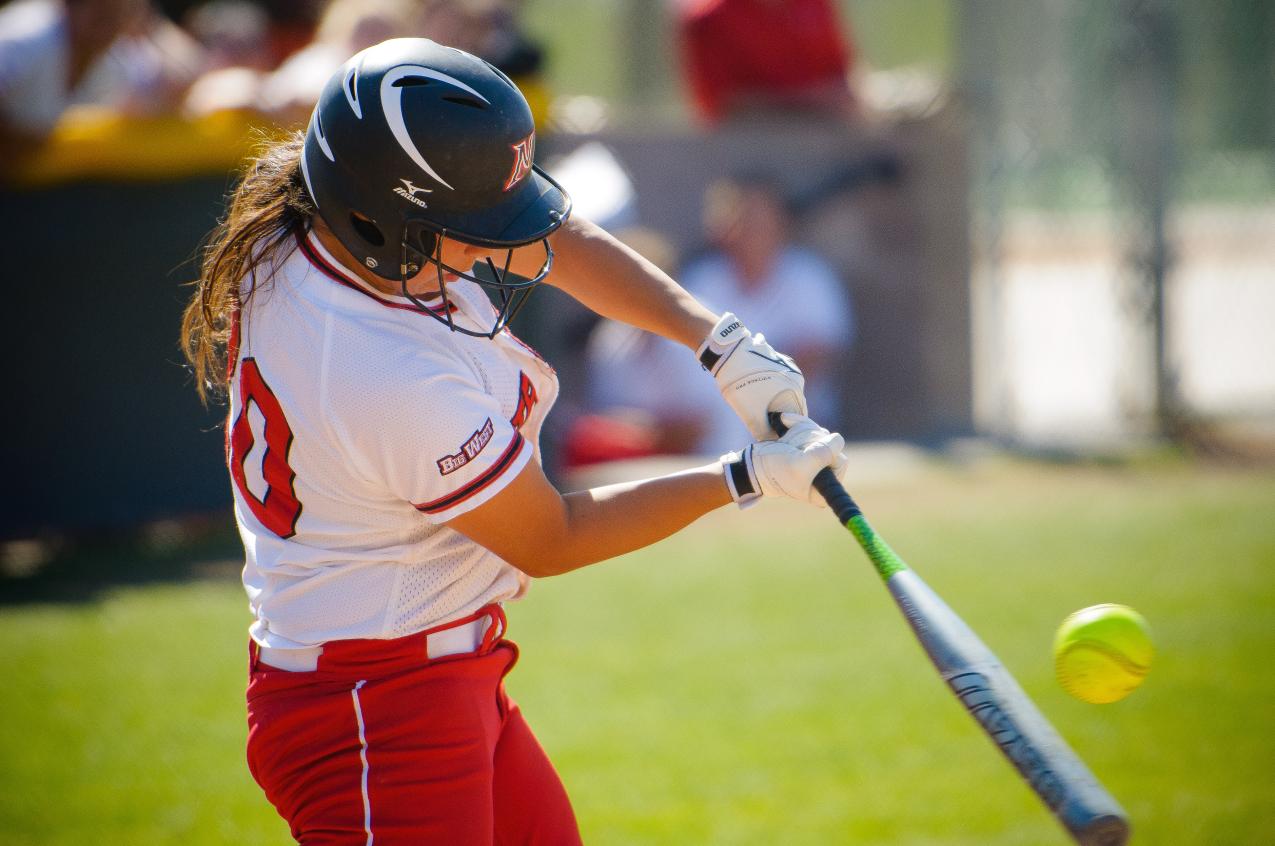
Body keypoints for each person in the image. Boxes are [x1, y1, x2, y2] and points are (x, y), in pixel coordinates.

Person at [180, 38, 847, 844]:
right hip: (369, 712)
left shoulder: (315, 221)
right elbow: (550, 536)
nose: (499, 246)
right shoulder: (387, 375)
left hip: (438, 673)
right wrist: (742, 477)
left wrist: (717, 340)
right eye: (474, 228)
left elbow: (551, 235)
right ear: (381, 223)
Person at [677, 0, 859, 125]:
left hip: (827, 144)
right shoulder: (707, 20)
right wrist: (813, 104)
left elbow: (843, 76)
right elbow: (726, 109)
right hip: (752, 158)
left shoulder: (815, 3)